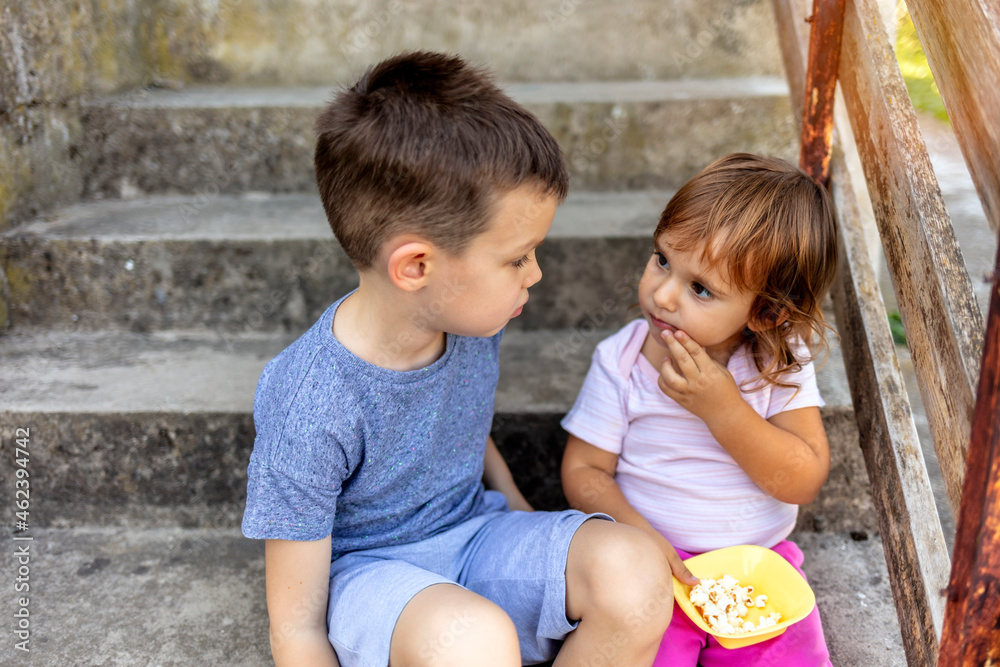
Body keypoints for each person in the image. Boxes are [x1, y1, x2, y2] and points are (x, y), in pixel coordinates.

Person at [241, 51, 674, 667]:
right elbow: (296, 629)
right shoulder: (310, 400)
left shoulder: (469, 316)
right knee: (470, 641)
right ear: (417, 266)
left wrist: (525, 516)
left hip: (478, 537)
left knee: (634, 569)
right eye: (518, 257)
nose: (537, 273)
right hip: (373, 579)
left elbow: (457, 423)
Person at [561, 153, 838, 666]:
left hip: (757, 571)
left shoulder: (778, 365)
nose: (662, 295)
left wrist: (724, 410)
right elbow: (583, 469)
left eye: (700, 289)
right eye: (662, 259)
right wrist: (638, 536)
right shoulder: (622, 360)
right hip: (651, 568)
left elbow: (802, 479)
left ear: (766, 311)